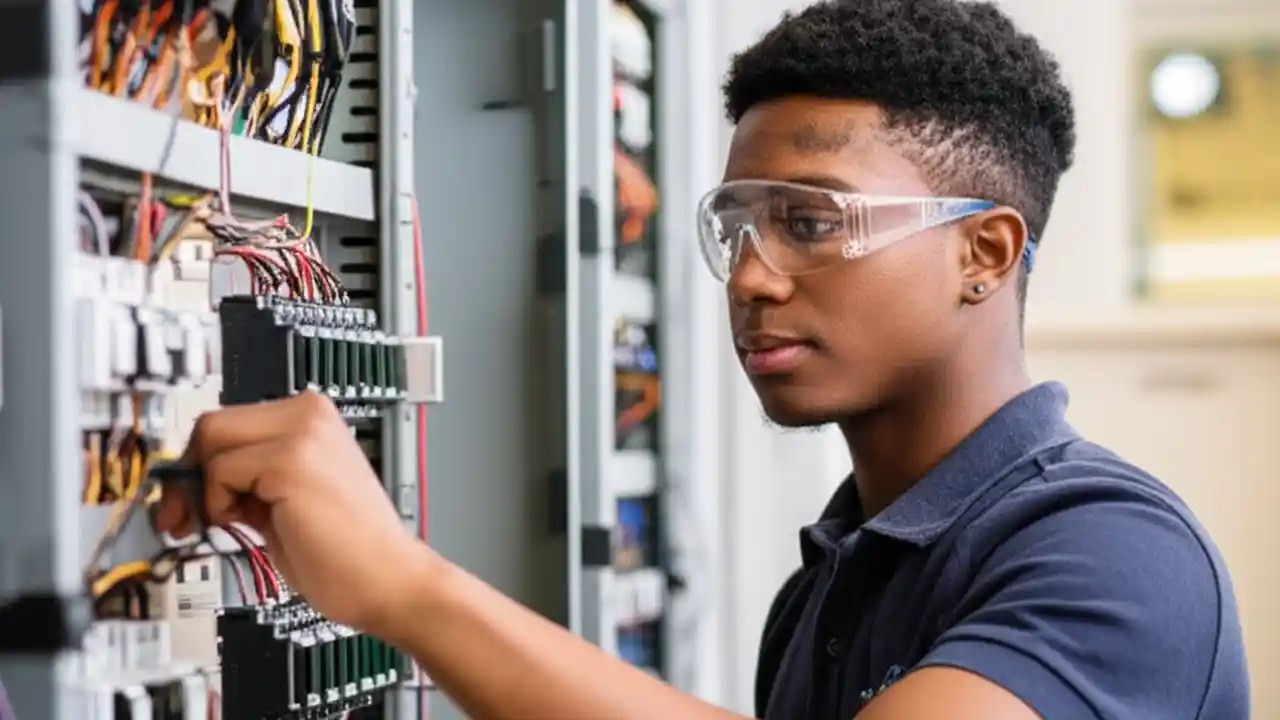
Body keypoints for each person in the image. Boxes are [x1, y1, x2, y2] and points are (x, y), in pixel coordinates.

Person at [159, 0, 1249, 718]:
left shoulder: (1112, 553)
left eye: (810, 223)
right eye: (736, 227)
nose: (750, 277)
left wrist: (402, 586)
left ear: (982, 251)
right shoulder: (833, 577)